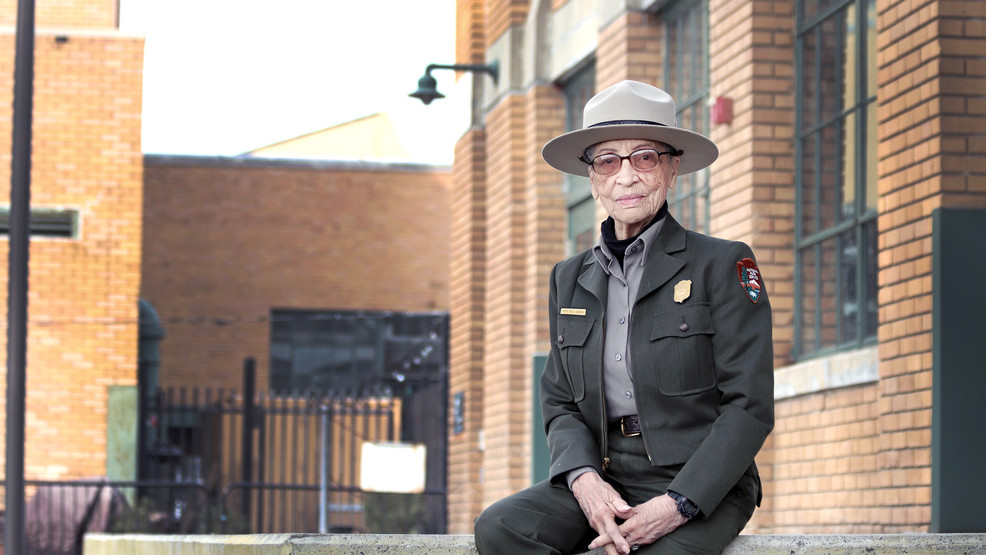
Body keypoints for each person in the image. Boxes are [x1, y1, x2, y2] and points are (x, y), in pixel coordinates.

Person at [473, 80, 774, 555]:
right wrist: (583, 478)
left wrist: (676, 503)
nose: (626, 176)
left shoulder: (723, 264)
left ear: (672, 168)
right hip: (606, 475)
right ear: (593, 178)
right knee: (502, 527)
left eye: (645, 157)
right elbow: (560, 401)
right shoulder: (568, 277)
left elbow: (749, 405)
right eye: (608, 161)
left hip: (701, 483)